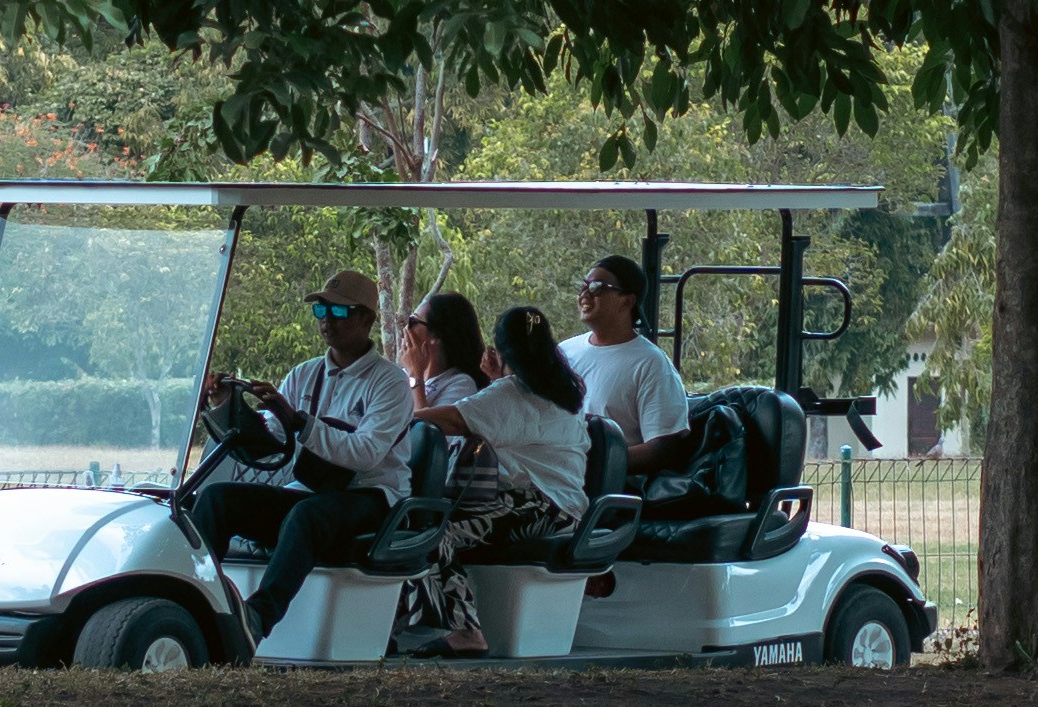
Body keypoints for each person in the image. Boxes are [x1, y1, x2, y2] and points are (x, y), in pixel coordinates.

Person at [193, 269, 412, 640]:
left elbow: (366, 454)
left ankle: (258, 618)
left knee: (306, 514)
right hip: (312, 492)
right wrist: (226, 407)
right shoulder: (304, 374)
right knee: (216, 499)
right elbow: (269, 443)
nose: (327, 319)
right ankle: (198, 603)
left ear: (366, 319)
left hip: (372, 496)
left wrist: (298, 421)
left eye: (339, 312)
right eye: (321, 311)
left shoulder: (389, 382)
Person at [412, 305, 598, 653]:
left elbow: (449, 420)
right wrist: (498, 381)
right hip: (562, 507)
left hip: (538, 507)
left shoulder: (511, 392)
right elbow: (516, 419)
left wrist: (401, 401)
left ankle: (466, 631)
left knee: (433, 530)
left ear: (498, 350)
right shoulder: (564, 391)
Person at [564, 254, 700, 482]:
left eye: (597, 287)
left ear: (626, 301)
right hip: (557, 477)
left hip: (608, 489)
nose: (584, 295)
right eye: (583, 286)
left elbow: (662, 449)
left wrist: (596, 462)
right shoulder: (565, 352)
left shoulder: (651, 364)